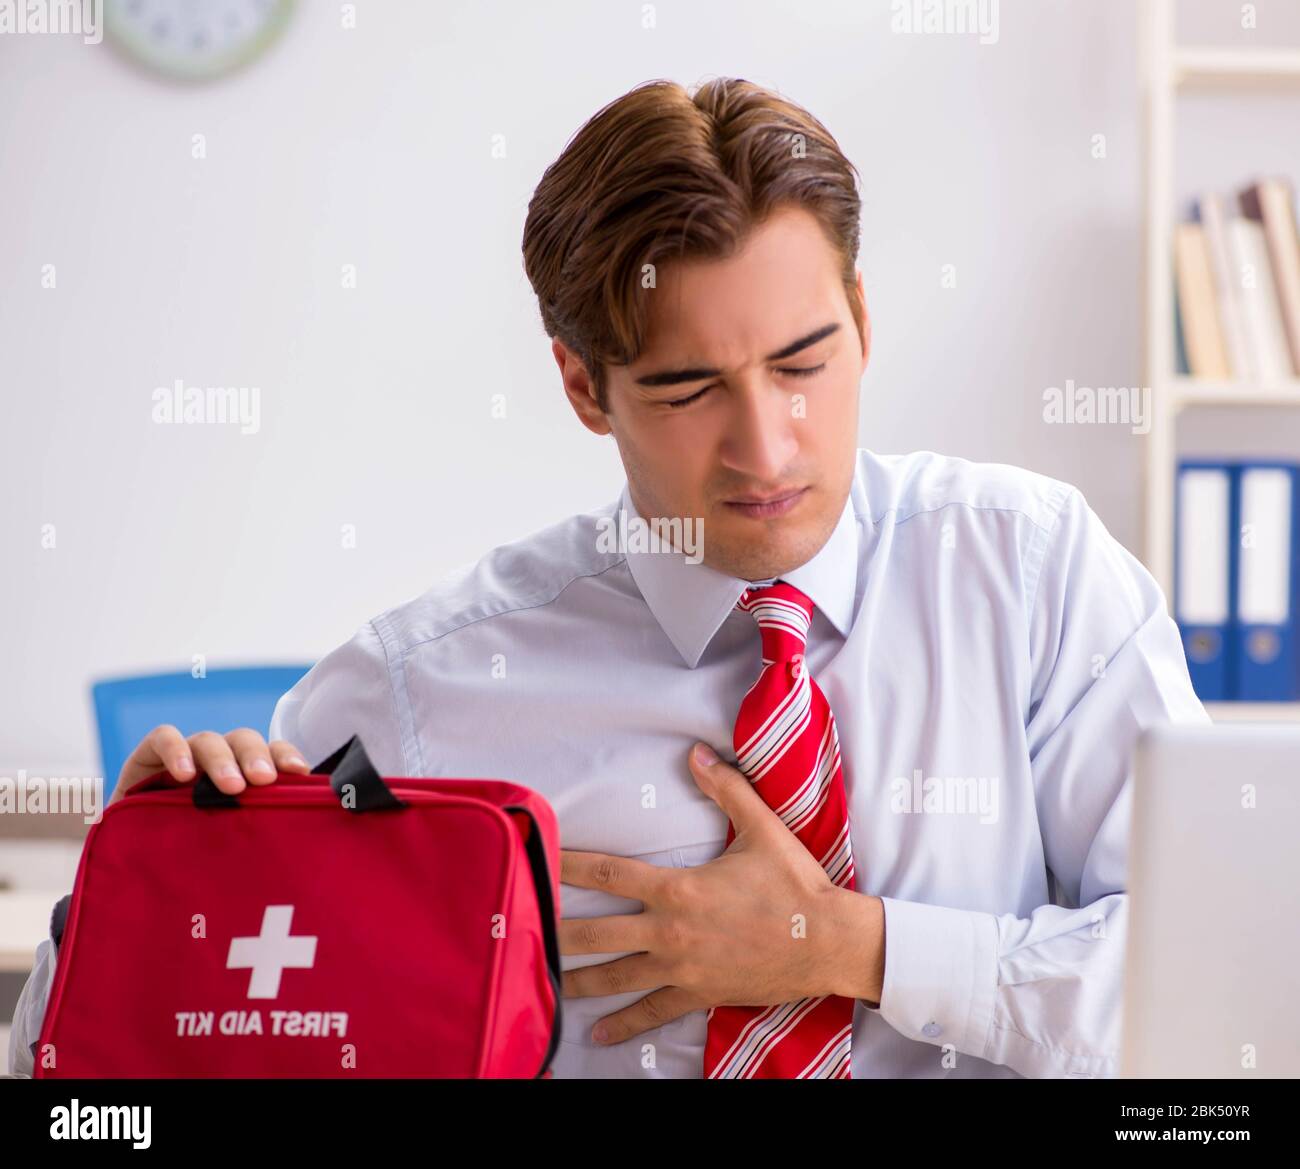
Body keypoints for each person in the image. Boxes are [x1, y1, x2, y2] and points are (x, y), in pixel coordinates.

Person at [9, 77, 1208, 1079]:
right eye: (688, 391)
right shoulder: (421, 689)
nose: (766, 446)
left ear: (860, 316)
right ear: (584, 387)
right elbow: (78, 1080)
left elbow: (1214, 994)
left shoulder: (1035, 578)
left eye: (803, 362)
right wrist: (154, 888)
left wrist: (852, 946)